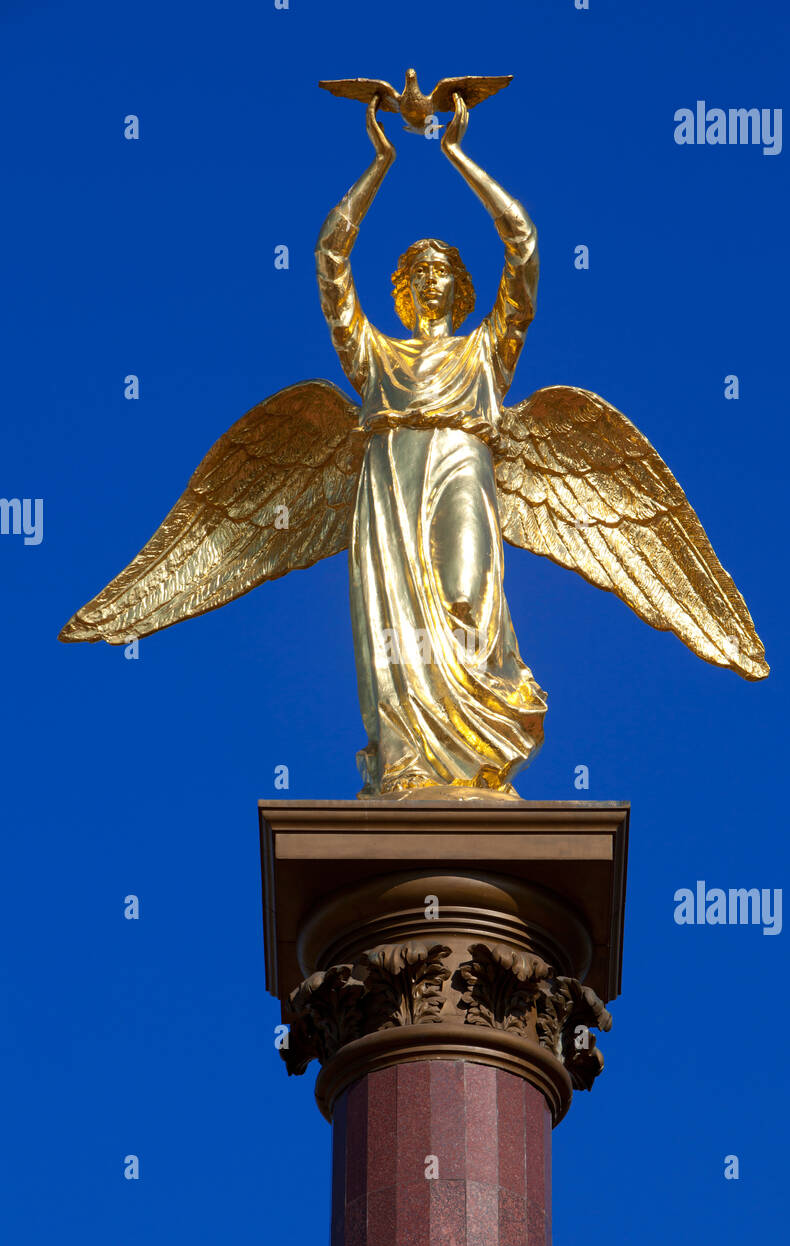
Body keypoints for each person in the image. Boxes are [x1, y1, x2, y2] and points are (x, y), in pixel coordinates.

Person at [315, 94, 547, 798]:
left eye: (443, 269)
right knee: (394, 622)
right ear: (402, 292)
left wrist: (457, 155)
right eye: (417, 273)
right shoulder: (374, 359)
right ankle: (408, 761)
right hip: (388, 476)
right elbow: (330, 260)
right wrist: (379, 162)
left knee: (467, 597)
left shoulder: (486, 353)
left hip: (461, 462)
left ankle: (479, 747)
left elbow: (525, 245)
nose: (431, 279)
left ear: (462, 285)